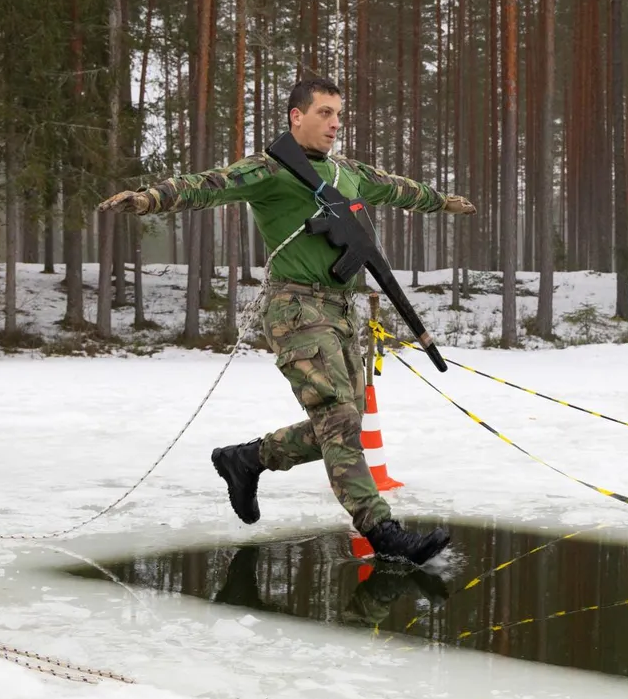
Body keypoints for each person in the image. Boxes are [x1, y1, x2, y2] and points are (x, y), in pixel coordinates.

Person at [100, 77, 474, 565]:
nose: (335, 123)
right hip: (296, 309)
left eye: (339, 114)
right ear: (296, 116)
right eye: (323, 113)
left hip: (343, 309)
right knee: (338, 417)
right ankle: (381, 529)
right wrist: (151, 198)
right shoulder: (270, 171)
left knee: (344, 422)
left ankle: (247, 459)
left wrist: (440, 201)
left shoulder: (346, 172)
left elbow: (395, 187)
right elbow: (210, 185)